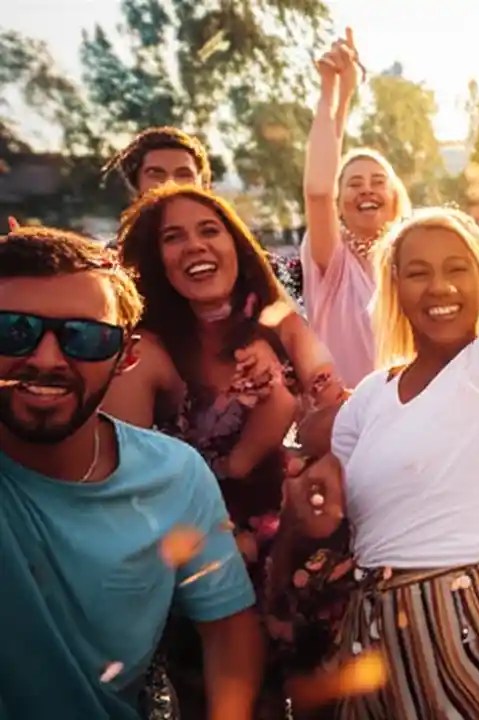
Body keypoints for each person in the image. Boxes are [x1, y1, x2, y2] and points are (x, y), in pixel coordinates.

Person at [283, 23, 479, 719]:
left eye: (459, 268)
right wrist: (313, 496)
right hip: (375, 628)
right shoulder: (371, 396)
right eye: (417, 272)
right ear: (395, 288)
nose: (440, 287)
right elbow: (336, 499)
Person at [0, 226, 263, 719]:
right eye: (13, 330)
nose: (47, 359)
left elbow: (228, 626)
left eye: (86, 338)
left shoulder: (175, 476)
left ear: (128, 356)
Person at [108, 184, 345, 718]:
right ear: (155, 259)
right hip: (205, 557)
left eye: (209, 230)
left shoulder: (281, 323)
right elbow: (128, 481)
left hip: (295, 549)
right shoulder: (146, 352)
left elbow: (338, 421)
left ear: (236, 244)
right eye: (174, 237)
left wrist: (292, 402)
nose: (195, 246)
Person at [301, 29, 412, 387]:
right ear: (340, 202)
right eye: (353, 183)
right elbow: (318, 189)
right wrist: (335, 92)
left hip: (408, 418)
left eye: (378, 181)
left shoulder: (414, 258)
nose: (367, 190)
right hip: (340, 424)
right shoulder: (331, 261)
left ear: (395, 195)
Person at [103, 126, 304, 301]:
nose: (171, 184)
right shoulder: (112, 265)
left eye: (184, 174)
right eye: (156, 174)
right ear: (136, 186)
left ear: (204, 186)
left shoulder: (239, 254)